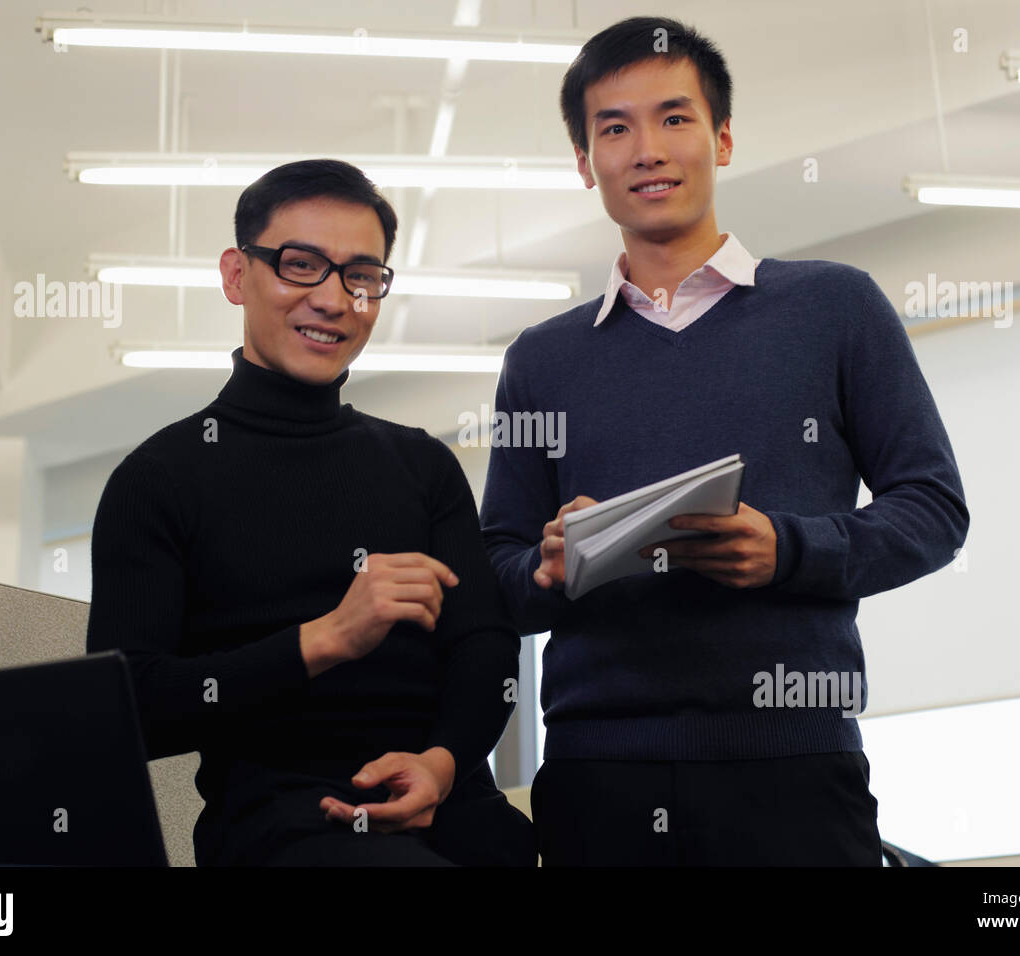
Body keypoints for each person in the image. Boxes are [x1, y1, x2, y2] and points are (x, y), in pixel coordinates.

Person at [480, 17, 969, 865]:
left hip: (795, 766)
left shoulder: (835, 310)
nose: (646, 150)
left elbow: (932, 510)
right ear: (584, 161)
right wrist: (549, 568)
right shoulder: (541, 360)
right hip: (601, 780)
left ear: (725, 138)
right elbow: (499, 571)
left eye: (675, 118)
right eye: (614, 128)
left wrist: (785, 549)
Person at [86, 159, 535, 867]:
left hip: (453, 808)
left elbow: (485, 647)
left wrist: (443, 765)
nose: (333, 299)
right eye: (301, 265)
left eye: (362, 275)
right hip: (281, 825)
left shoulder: (420, 466)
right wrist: (326, 638)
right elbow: (128, 712)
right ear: (237, 275)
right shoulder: (159, 479)